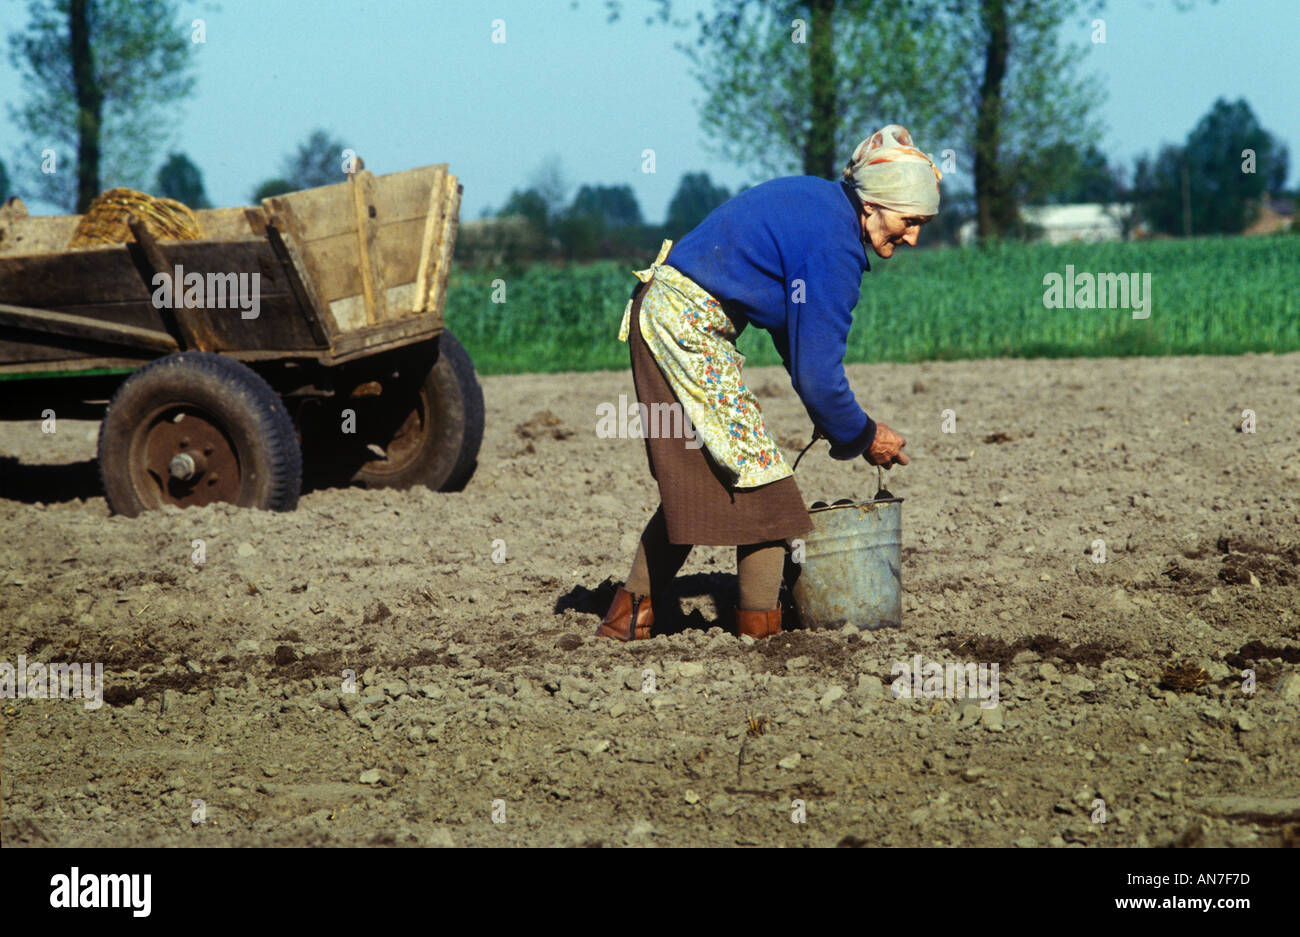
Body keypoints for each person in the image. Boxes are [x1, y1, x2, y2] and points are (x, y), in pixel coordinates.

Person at [598, 124, 940, 642]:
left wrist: (835, 420)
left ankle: (629, 616)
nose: (913, 236)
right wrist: (863, 434)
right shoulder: (837, 247)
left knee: (706, 481)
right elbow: (818, 374)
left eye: (922, 224)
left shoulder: (821, 204)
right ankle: (762, 636)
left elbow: (796, 338)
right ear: (872, 206)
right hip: (684, 327)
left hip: (667, 314)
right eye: (908, 220)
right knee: (768, 490)